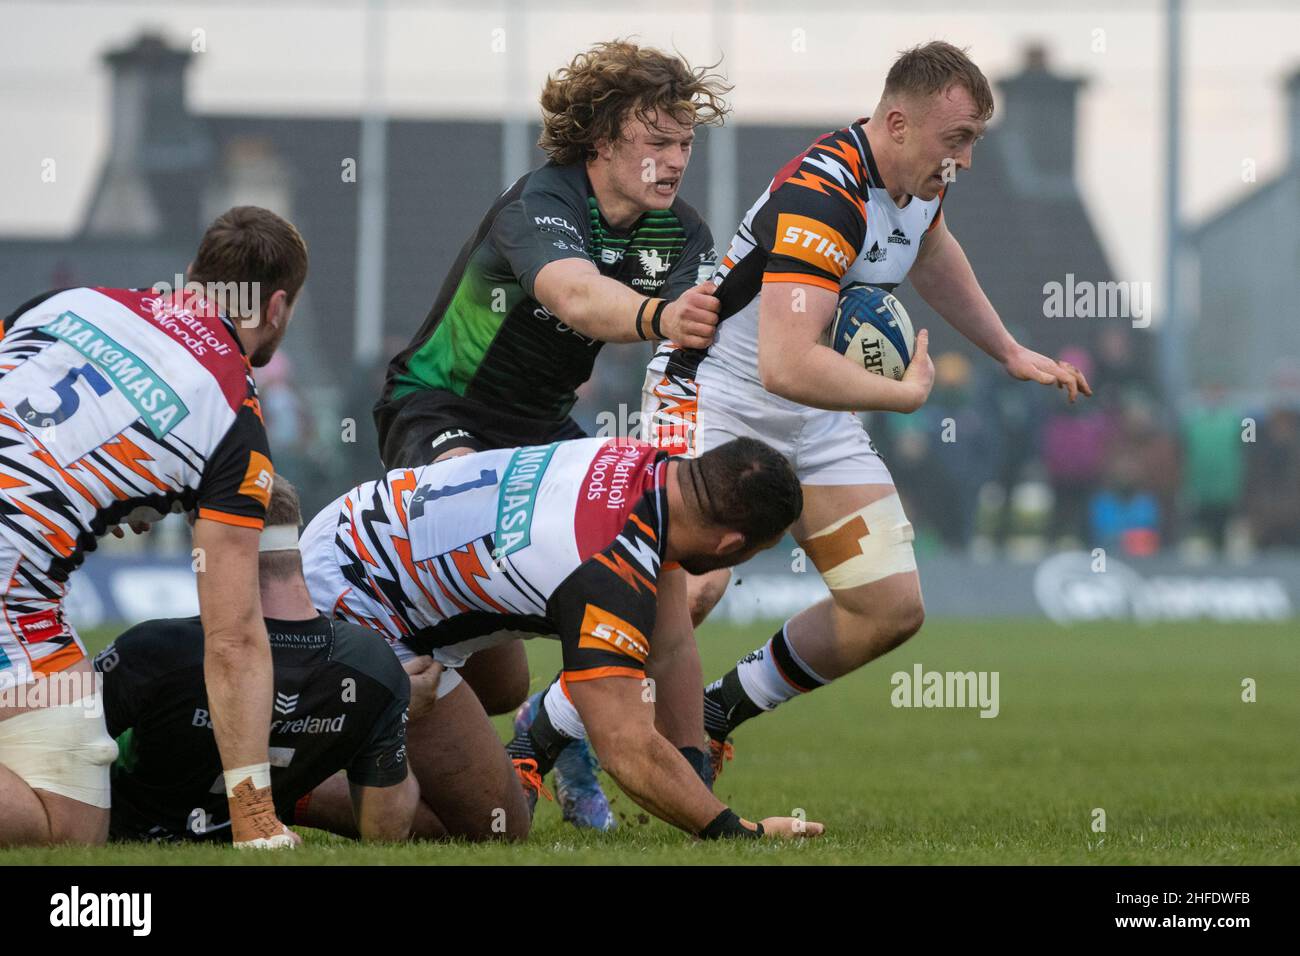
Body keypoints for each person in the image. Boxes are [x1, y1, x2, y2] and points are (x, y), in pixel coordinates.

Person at [640, 41, 1092, 778]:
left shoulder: (923, 178)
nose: (966, 160)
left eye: (974, 140)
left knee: (888, 607)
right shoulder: (827, 197)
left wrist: (1006, 350)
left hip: (811, 409)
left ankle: (720, 710)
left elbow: (933, 254)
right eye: (958, 140)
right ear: (898, 123)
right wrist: (903, 397)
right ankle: (548, 736)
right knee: (692, 588)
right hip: (713, 397)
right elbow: (782, 362)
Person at [372, 40, 728, 827]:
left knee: (672, 575)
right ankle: (374, 738)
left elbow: (696, 348)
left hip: (543, 433)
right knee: (489, 661)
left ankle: (657, 772)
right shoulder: (541, 203)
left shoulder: (678, 233)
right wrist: (659, 316)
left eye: (685, 144)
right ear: (604, 143)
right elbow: (575, 295)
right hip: (440, 411)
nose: (675, 161)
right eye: (657, 143)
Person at [299, 435, 822, 841]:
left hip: (358, 522)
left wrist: (691, 780)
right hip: (356, 599)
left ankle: (371, 728)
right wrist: (733, 831)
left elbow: (672, 649)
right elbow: (625, 747)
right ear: (731, 542)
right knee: (495, 824)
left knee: (506, 686)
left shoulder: (651, 470)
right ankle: (284, 783)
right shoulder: (607, 572)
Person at [0, 206, 308, 848]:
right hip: (12, 587)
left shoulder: (74, 299)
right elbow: (233, 638)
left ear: (193, 273)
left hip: (20, 578)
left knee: (76, 811)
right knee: (66, 828)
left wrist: (93, 490)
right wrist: (253, 816)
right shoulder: (231, 413)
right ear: (276, 307)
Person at [95, 478, 424, 843]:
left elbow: (50, 741)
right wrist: (390, 719)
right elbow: (385, 828)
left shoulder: (154, 650)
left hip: (126, 834)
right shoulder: (372, 664)